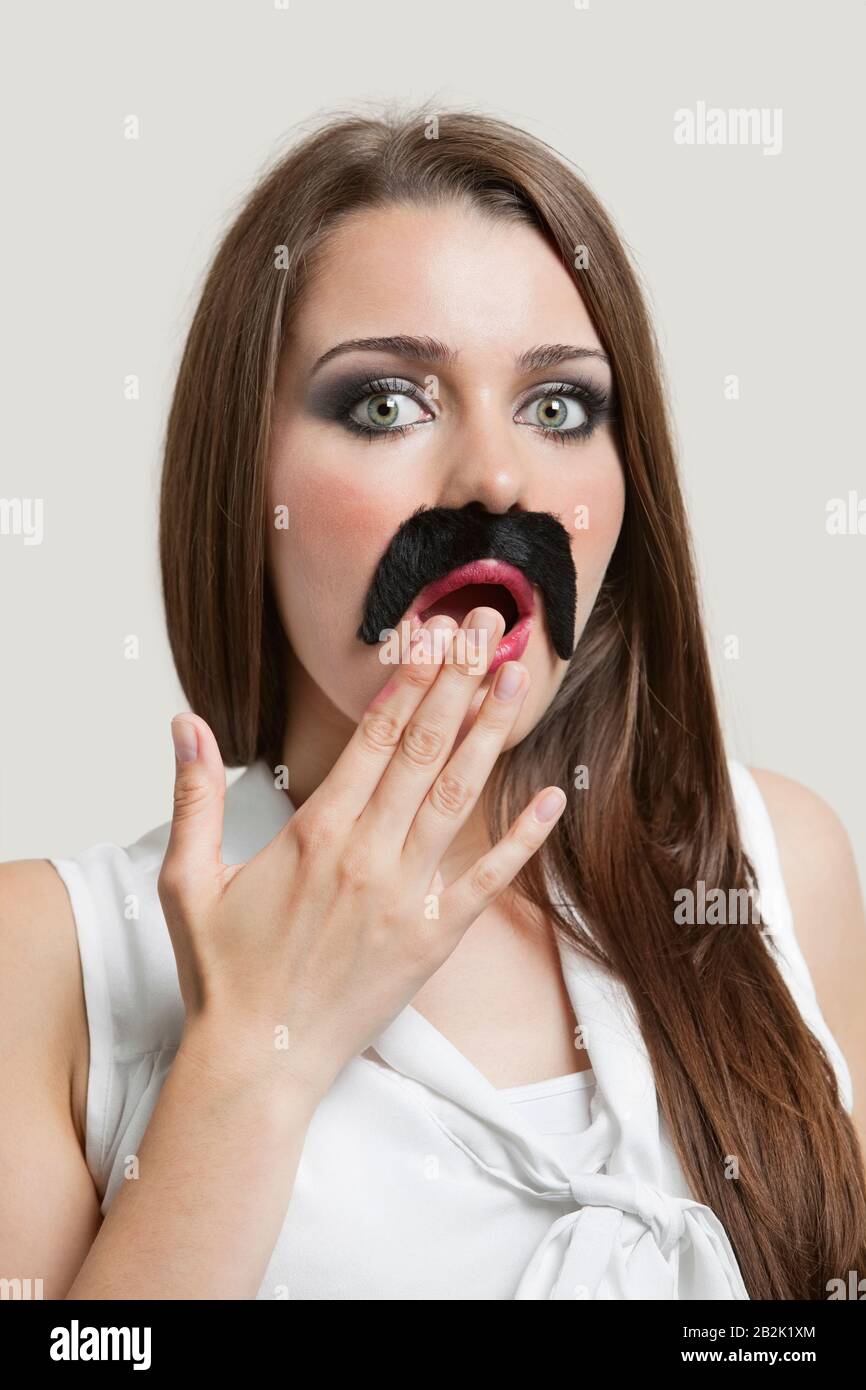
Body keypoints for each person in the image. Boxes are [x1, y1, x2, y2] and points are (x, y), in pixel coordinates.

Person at [2, 106, 865, 1301]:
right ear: (241, 477)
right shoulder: (43, 959)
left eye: (559, 407)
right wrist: (250, 1059)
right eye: (386, 404)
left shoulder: (774, 865)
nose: (496, 477)